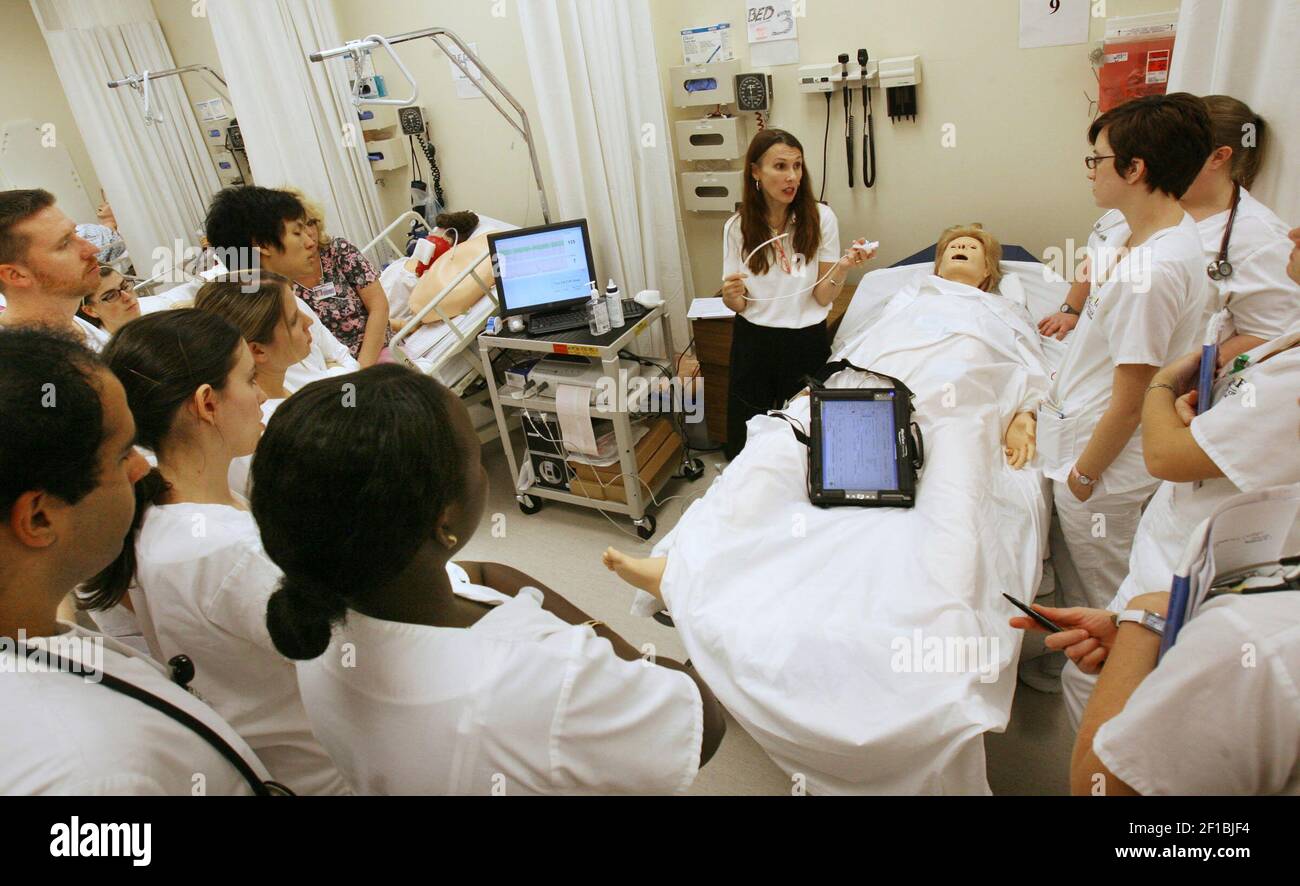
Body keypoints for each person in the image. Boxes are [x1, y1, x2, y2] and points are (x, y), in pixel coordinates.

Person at [251, 364, 725, 795]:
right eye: (477, 458)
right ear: (444, 520)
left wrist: (513, 590)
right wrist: (591, 637)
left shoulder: (316, 616)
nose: (483, 469)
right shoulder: (543, 673)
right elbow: (702, 722)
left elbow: (475, 574)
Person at [1016, 225, 1300, 727]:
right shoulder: (1284, 347)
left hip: (1182, 562)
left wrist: (1167, 385)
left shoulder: (1162, 268)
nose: (1294, 230)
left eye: (1100, 158)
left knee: (1106, 691)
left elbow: (1163, 447)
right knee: (1100, 607)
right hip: (1168, 561)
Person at [80, 310, 349, 795]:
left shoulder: (155, 515)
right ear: (207, 403)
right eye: (249, 379)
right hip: (327, 775)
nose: (262, 394)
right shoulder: (228, 552)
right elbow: (351, 658)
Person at [0, 326, 271, 795]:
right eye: (121, 455)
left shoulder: (40, 637)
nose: (142, 469)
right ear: (39, 519)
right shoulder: (86, 771)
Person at [1034, 92, 1214, 637]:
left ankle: (1100, 696)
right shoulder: (1136, 230)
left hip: (1103, 465)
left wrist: (1084, 476)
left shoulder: (1152, 274)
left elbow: (1133, 400)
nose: (1090, 171)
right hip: (1082, 438)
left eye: (1098, 159)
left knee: (1103, 600)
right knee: (1077, 576)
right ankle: (1061, 668)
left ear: (1136, 169)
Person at [1038, 95, 1298, 350]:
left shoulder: (1261, 239)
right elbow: (1096, 256)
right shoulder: (1142, 197)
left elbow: (1271, 333)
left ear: (1218, 157)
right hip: (1092, 353)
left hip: (1158, 378)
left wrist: (1179, 378)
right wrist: (1071, 309)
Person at [720, 129, 876, 459]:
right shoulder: (738, 227)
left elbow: (821, 297)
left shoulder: (821, 219)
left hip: (805, 342)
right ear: (755, 172)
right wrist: (730, 294)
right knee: (747, 442)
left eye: (797, 166)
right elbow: (738, 303)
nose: (791, 176)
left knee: (808, 443)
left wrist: (844, 267)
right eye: (780, 166)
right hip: (754, 342)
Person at [204, 186, 389, 366]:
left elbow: (338, 356)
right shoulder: (259, 323)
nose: (310, 242)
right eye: (297, 232)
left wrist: (352, 371)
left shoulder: (286, 297)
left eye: (310, 225)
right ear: (263, 246)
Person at [0, 189, 109, 351]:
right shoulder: (21, 367)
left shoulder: (66, 323)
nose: (92, 249)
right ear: (15, 275)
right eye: (64, 244)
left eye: (75, 233)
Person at [77, 265, 141, 335]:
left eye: (125, 286)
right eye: (111, 296)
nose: (127, 297)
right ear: (91, 311)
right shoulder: (101, 344)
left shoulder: (153, 307)